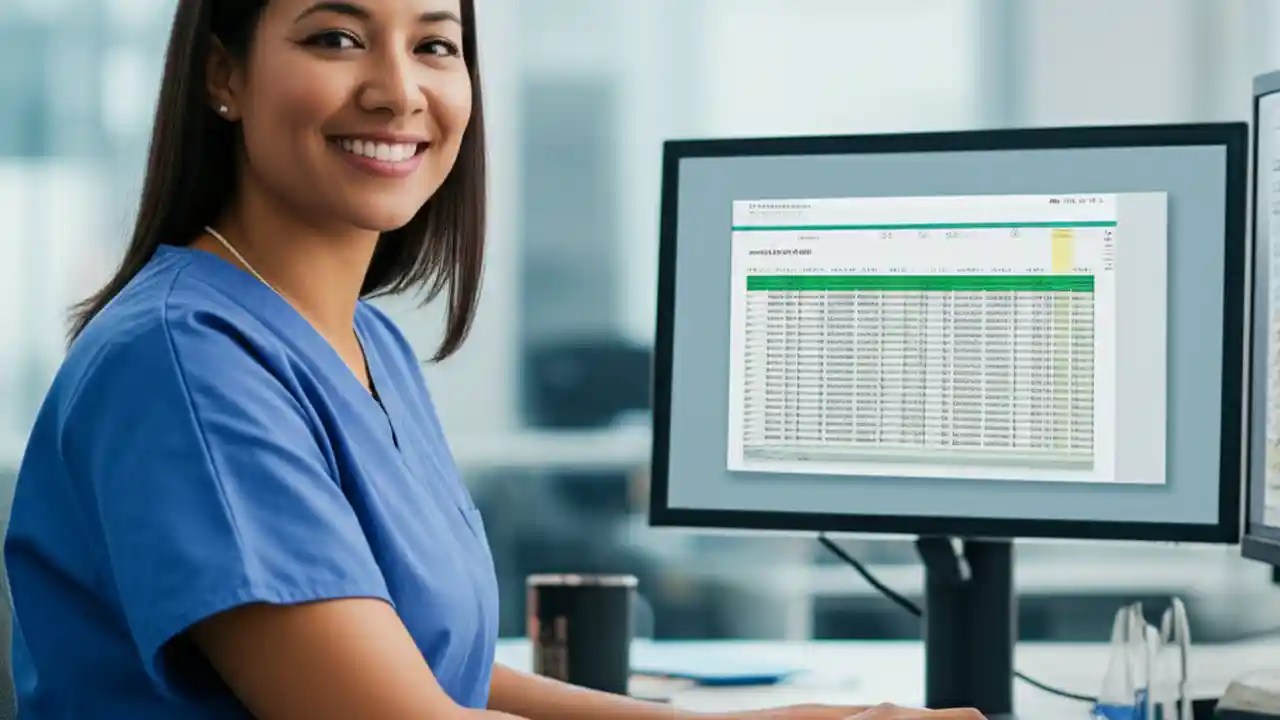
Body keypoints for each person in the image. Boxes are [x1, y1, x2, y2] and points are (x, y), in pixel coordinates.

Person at [3, 1, 984, 718]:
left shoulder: (366, 341)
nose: (397, 90)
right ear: (223, 76)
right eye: (335, 37)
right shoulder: (187, 366)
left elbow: (431, 674)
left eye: (434, 44)